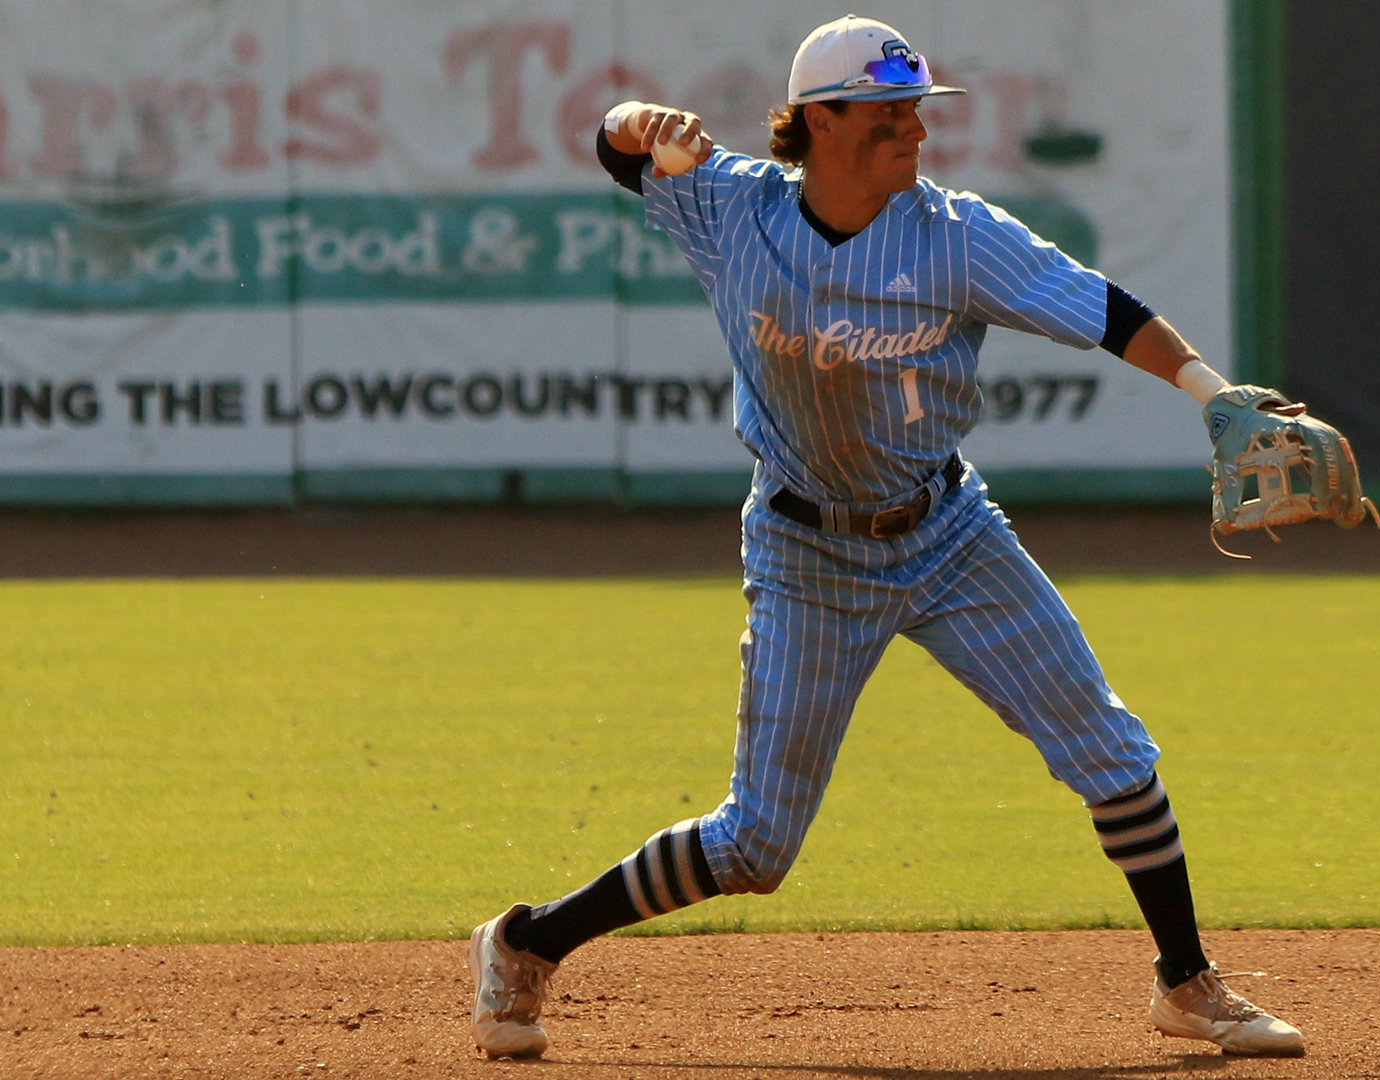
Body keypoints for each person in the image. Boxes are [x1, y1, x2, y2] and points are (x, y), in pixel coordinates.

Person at [467, 14, 1303, 1061]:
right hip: (806, 550)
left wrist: (1213, 397)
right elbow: (618, 148)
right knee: (757, 846)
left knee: (1111, 751)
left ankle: (1188, 983)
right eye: (891, 110)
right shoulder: (731, 206)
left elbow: (1101, 306)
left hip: (948, 531)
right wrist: (635, 121)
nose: (916, 129)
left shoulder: (957, 234)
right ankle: (526, 942)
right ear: (821, 119)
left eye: (919, 108)